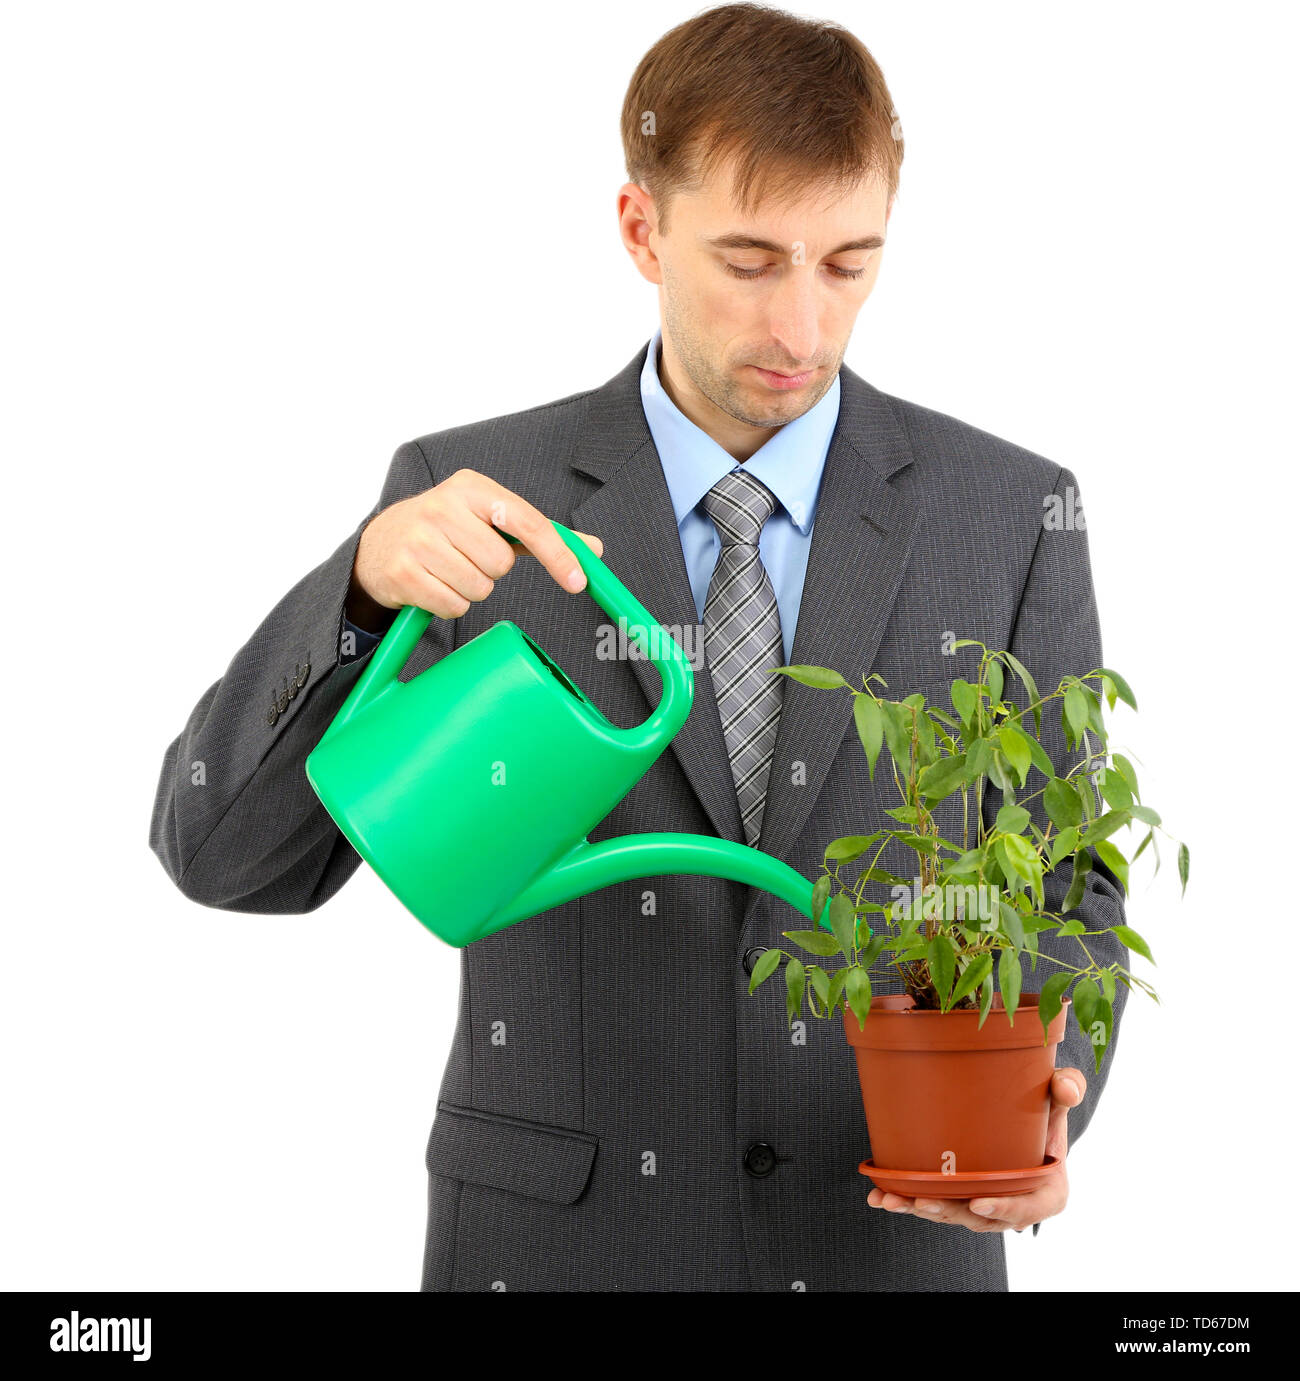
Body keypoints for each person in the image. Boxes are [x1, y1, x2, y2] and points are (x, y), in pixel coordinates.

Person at [150, 2, 1124, 1292]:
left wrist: (1043, 1109)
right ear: (640, 229)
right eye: (749, 258)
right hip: (556, 1249)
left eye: (848, 264)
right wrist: (361, 592)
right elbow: (222, 858)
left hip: (884, 1249)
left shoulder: (1006, 514)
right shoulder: (466, 495)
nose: (802, 332)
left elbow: (1072, 890)